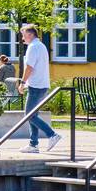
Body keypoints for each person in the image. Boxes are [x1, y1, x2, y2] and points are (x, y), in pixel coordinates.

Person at [17, 24, 61, 153]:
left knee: (29, 115)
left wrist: (22, 83)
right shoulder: (41, 46)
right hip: (42, 84)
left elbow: (29, 67)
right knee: (33, 115)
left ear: (30, 34)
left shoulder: (33, 47)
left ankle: (52, 134)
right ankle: (33, 144)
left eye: (24, 35)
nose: (22, 38)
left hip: (36, 86)